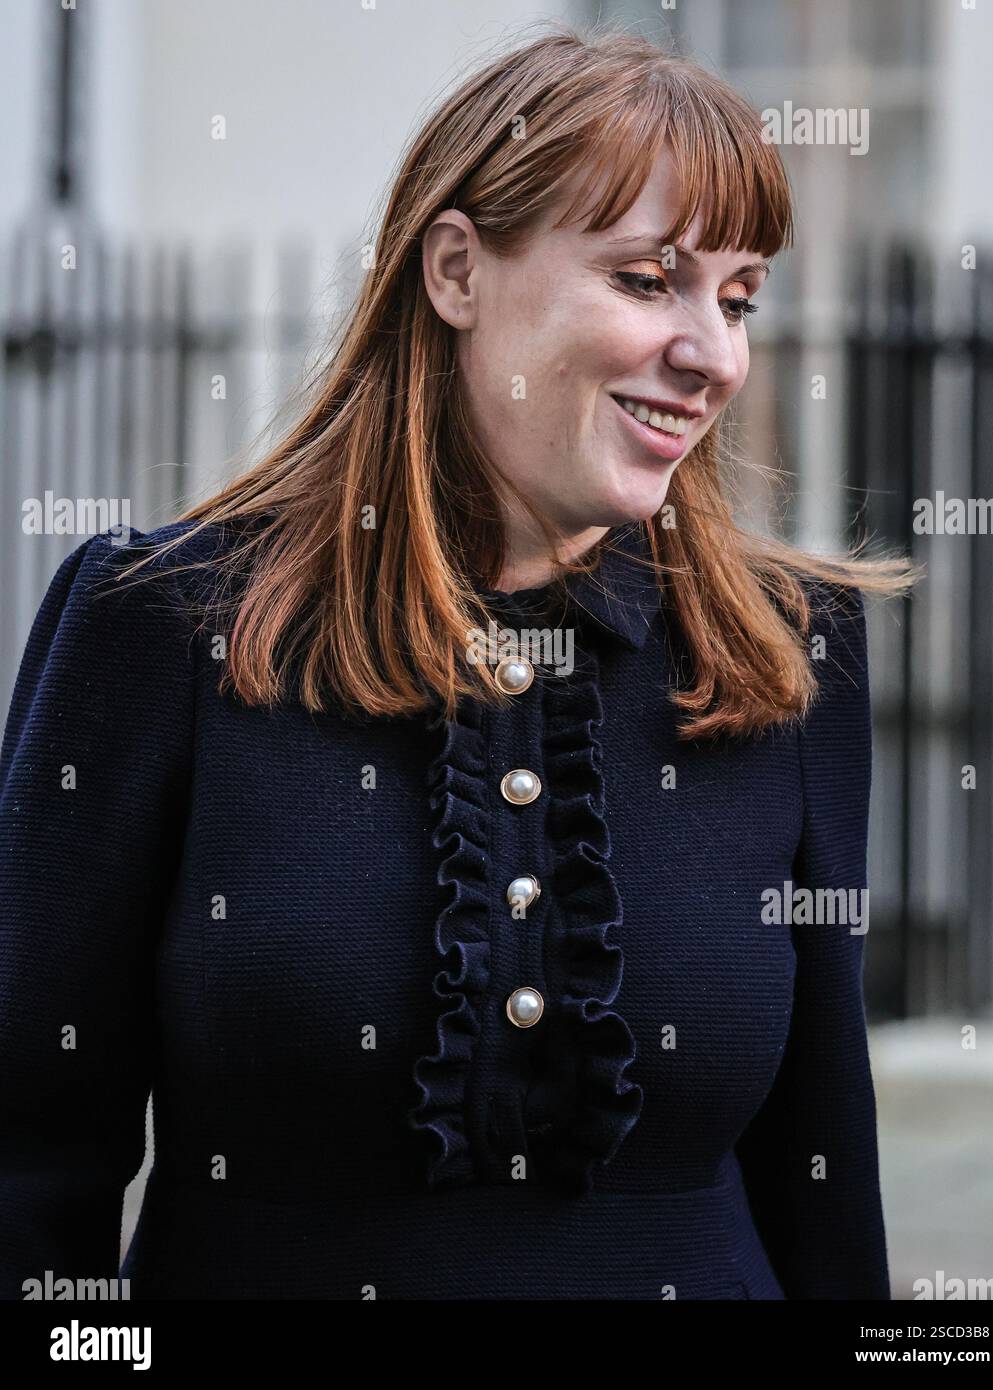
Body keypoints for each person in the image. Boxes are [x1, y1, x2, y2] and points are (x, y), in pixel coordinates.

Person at [0, 25, 917, 1300]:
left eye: (738, 296)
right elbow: (29, 1166)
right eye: (650, 279)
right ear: (454, 271)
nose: (713, 353)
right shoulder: (161, 624)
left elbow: (824, 1180)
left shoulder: (784, 651)